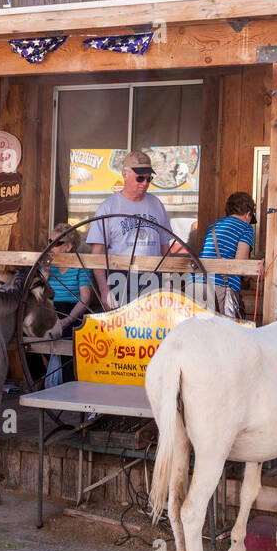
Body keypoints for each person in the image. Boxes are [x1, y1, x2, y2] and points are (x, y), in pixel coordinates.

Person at [84, 150, 172, 309]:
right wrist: (105, 291)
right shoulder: (108, 207)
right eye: (140, 177)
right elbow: (97, 254)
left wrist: (167, 283)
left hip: (153, 277)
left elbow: (165, 250)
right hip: (120, 278)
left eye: (148, 178)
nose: (144, 183)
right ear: (125, 174)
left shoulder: (157, 205)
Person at [43, 223, 93, 387]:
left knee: (68, 339)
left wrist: (68, 320)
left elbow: (85, 299)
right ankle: (42, 380)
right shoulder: (48, 265)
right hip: (49, 308)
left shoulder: (80, 266)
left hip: (71, 310)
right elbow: (38, 295)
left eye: (56, 243)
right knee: (26, 334)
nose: (50, 246)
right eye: (49, 241)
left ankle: (68, 385)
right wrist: (45, 274)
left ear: (68, 247)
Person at [197, 191, 256, 318]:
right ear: (248, 214)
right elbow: (240, 265)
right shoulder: (246, 228)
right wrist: (252, 275)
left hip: (197, 282)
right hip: (220, 287)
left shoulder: (213, 225)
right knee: (222, 333)